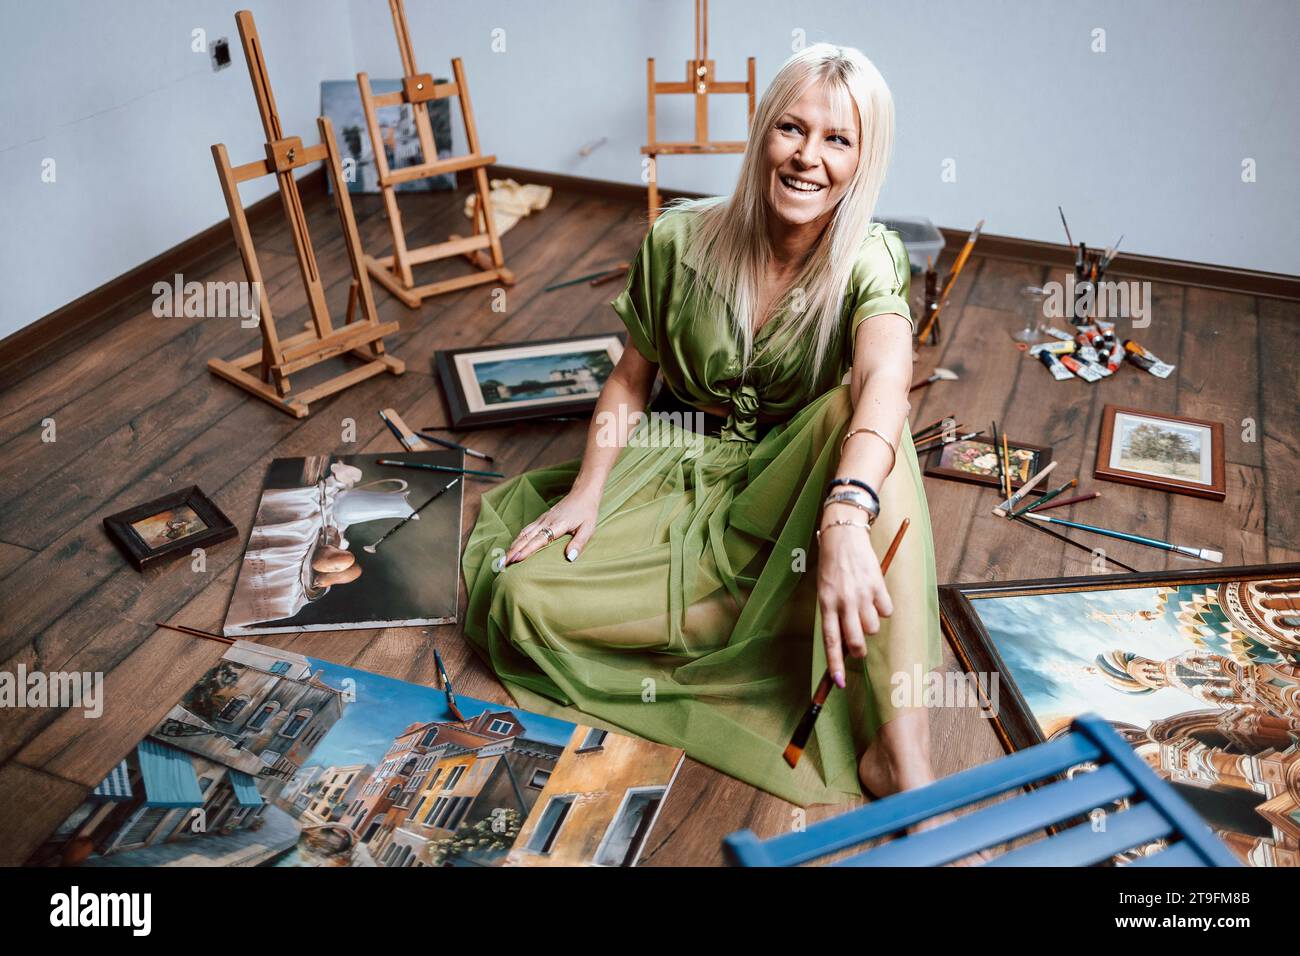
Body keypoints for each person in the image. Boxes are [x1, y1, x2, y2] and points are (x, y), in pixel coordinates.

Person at [460, 43, 942, 806]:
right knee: (517, 600)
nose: (807, 157)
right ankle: (759, 621)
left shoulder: (869, 257)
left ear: (864, 156)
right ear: (762, 134)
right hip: (674, 464)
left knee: (864, 420)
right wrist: (587, 492)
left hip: (796, 487)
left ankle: (903, 757)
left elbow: (888, 376)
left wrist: (847, 515)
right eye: (791, 129)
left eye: (837, 139)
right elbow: (628, 379)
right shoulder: (677, 241)